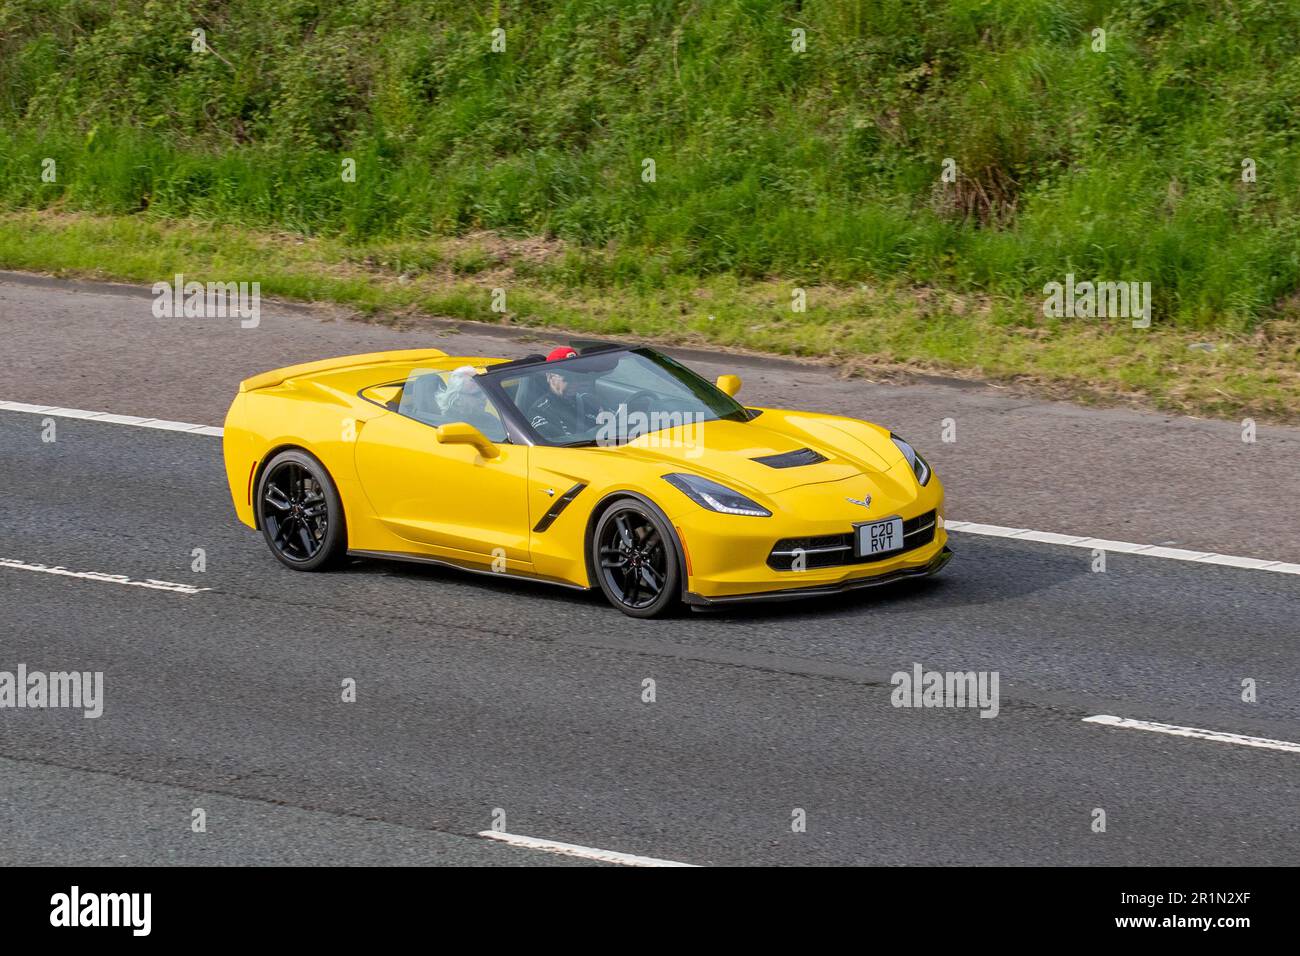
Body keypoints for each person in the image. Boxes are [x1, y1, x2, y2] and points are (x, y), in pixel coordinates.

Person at [526, 346, 601, 438]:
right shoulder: (540, 412)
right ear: (549, 376)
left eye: (577, 377)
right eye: (567, 377)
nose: (574, 383)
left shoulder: (587, 401)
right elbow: (554, 448)